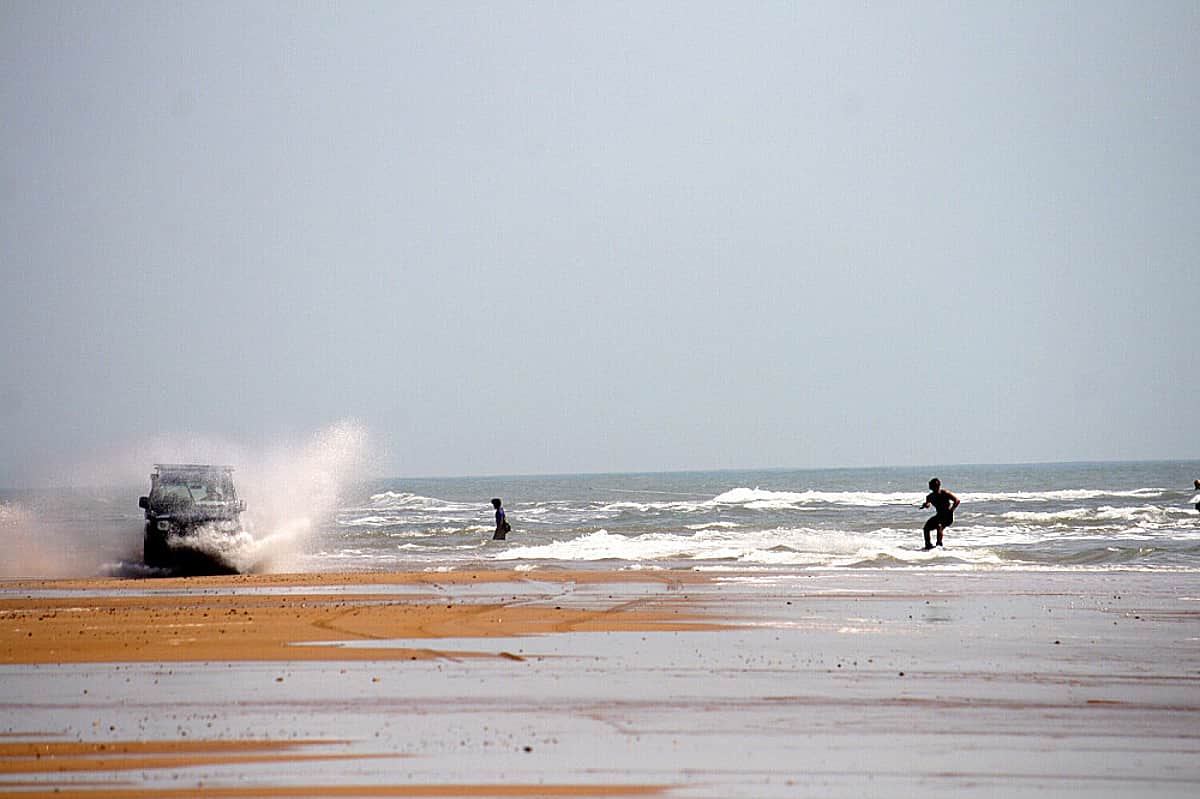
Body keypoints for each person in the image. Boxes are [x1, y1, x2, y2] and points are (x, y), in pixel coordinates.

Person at [920, 478, 959, 550]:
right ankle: (928, 545)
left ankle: (939, 545)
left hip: (948, 516)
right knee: (926, 528)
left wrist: (952, 509)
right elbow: (928, 504)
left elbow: (957, 500)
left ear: (939, 486)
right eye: (933, 486)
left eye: (936, 486)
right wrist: (925, 505)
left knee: (939, 526)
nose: (935, 488)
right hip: (939, 516)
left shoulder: (945, 493)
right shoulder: (929, 497)